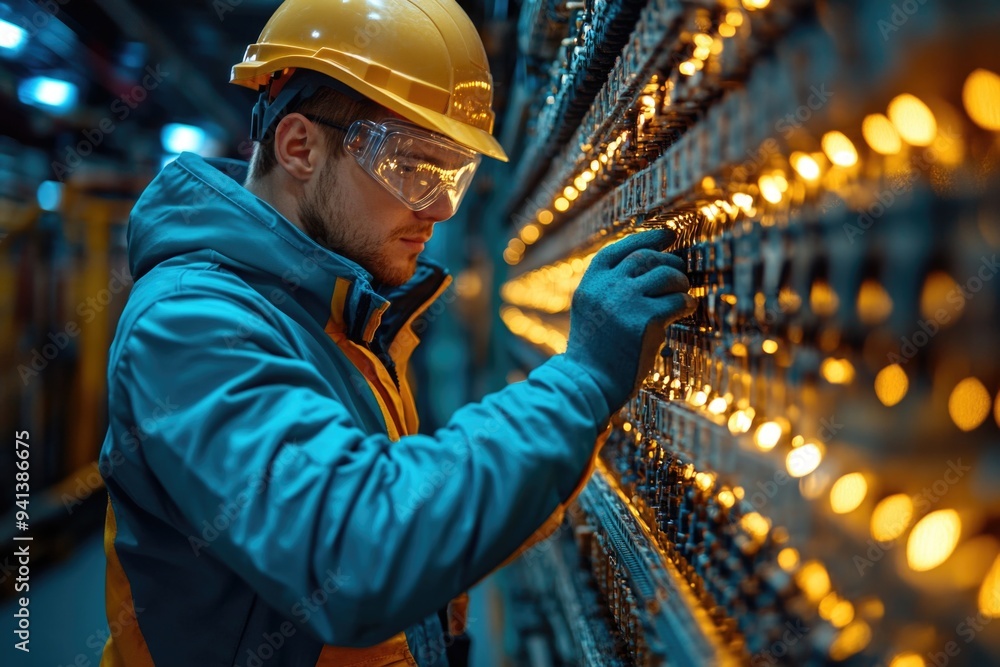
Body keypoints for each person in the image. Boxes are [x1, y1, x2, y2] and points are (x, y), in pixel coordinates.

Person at [97, 0, 695, 665]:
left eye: (453, 174)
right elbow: (353, 556)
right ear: (299, 146)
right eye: (410, 163)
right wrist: (580, 384)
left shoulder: (338, 311)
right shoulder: (192, 325)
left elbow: (402, 524)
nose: (438, 207)